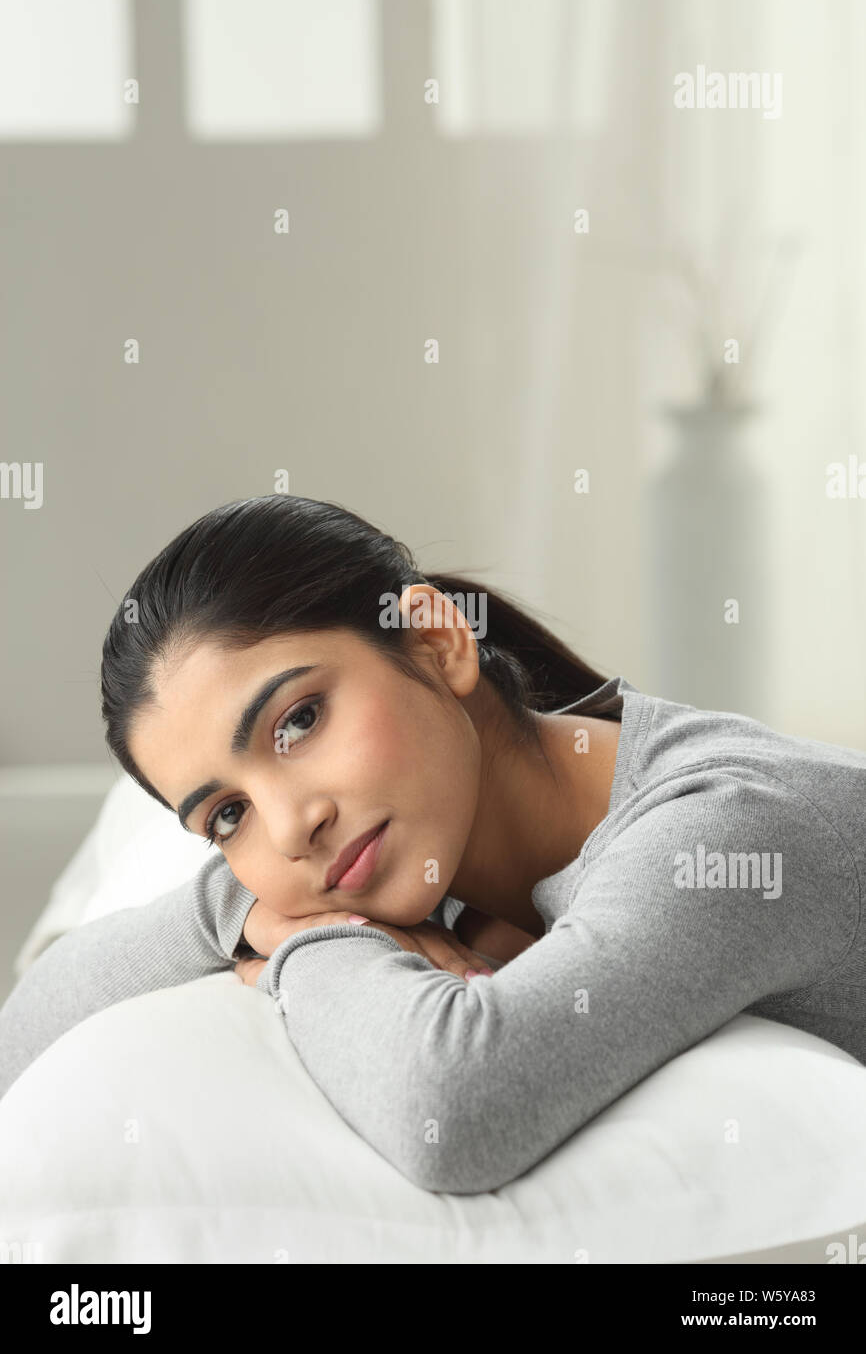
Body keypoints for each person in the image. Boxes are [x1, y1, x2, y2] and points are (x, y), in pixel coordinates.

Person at [1, 494, 864, 1196]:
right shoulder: (439, 873)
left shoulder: (726, 828)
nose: (291, 825)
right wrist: (230, 909)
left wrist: (310, 942)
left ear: (438, 639)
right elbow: (18, 1044)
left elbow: (456, 1109)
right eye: (228, 815)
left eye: (298, 721)